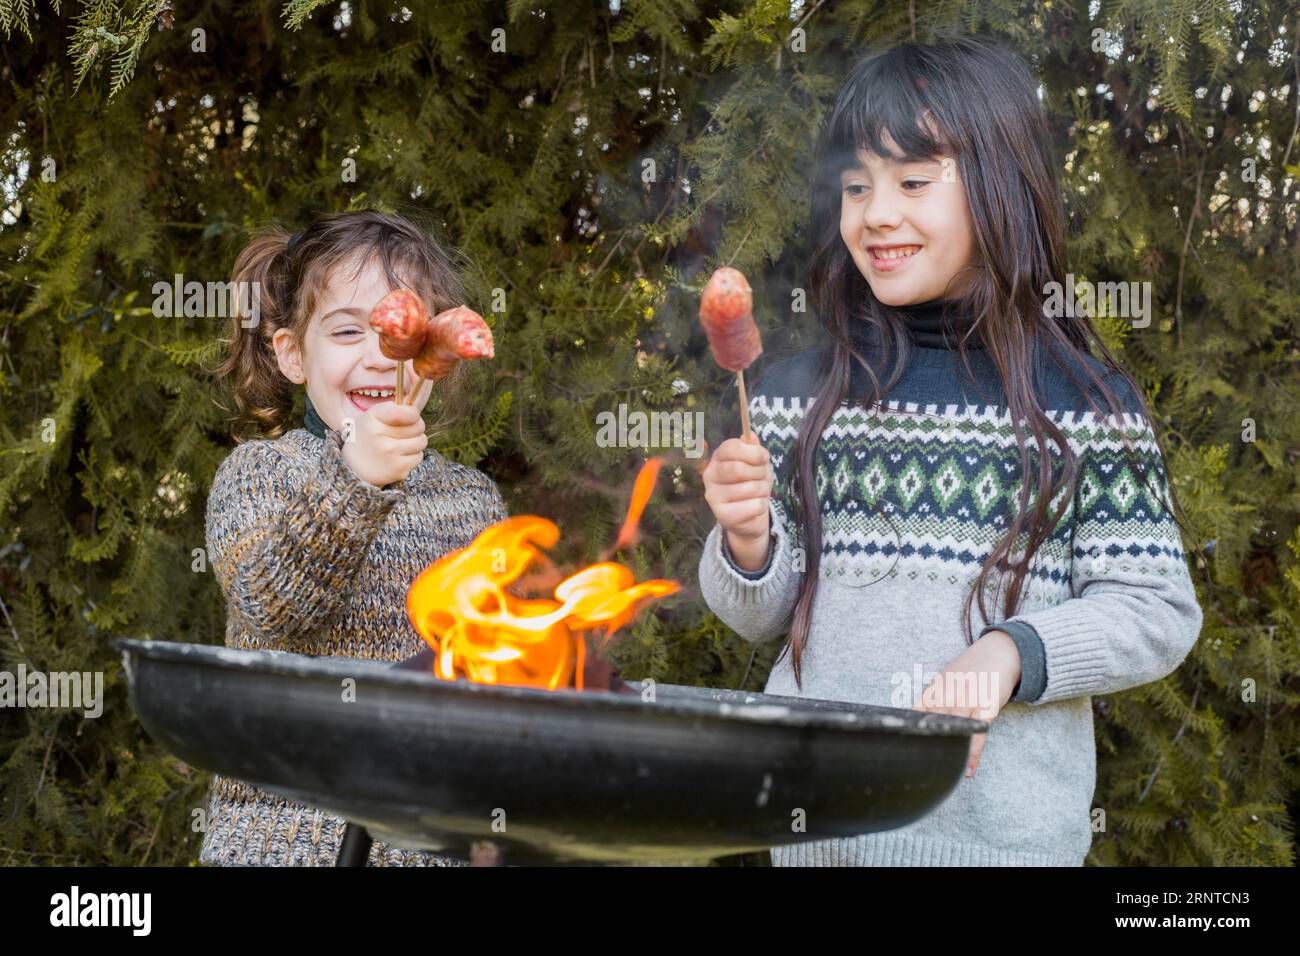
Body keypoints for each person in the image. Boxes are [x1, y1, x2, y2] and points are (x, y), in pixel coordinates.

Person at [697, 38, 1203, 866]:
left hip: (998, 848)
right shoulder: (789, 396)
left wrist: (1010, 652)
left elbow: (1156, 609)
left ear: (1003, 184)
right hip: (814, 838)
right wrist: (747, 542)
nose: (875, 213)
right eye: (855, 186)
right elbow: (760, 615)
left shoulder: (1085, 404)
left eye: (912, 181)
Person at [198, 210, 506, 866]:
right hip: (284, 848)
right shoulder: (259, 475)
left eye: (403, 330)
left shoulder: (475, 502)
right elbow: (275, 613)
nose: (377, 355)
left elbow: (492, 684)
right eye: (346, 331)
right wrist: (356, 482)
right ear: (293, 355)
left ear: (437, 353)